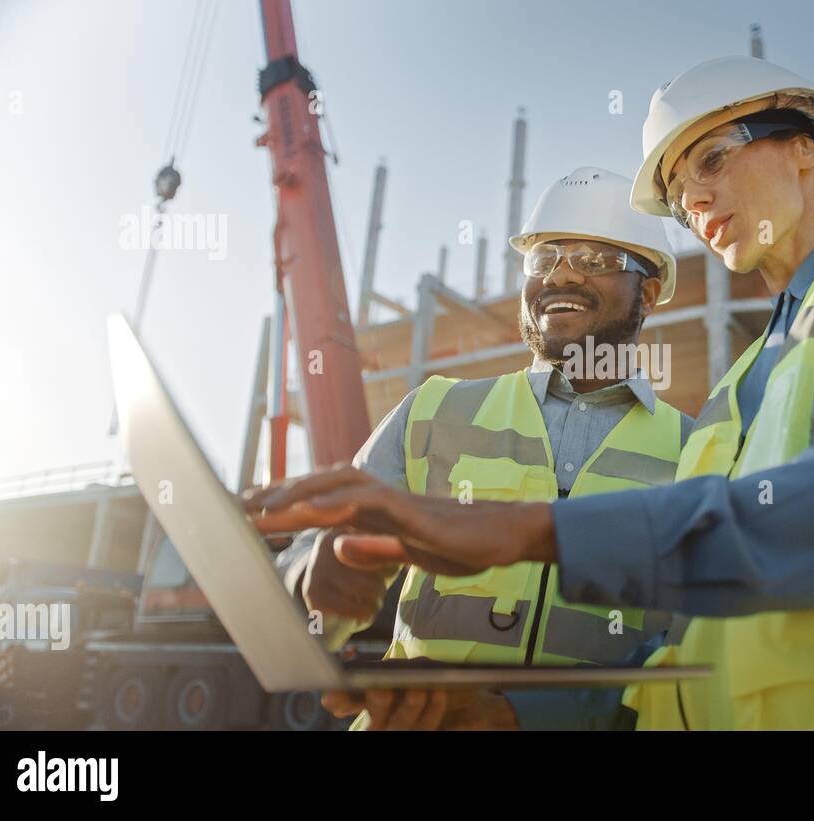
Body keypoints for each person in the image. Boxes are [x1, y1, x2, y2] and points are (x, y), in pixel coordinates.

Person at [246, 56, 814, 730]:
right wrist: (503, 711)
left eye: (714, 158)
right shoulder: (729, 403)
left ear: (806, 145)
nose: (696, 197)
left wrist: (520, 526)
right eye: (682, 189)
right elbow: (673, 657)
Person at [271, 167, 692, 729]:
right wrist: (313, 577)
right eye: (544, 260)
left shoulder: (699, 450)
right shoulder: (434, 411)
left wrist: (526, 716)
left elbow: (689, 653)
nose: (561, 276)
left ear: (650, 290)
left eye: (594, 260)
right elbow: (314, 553)